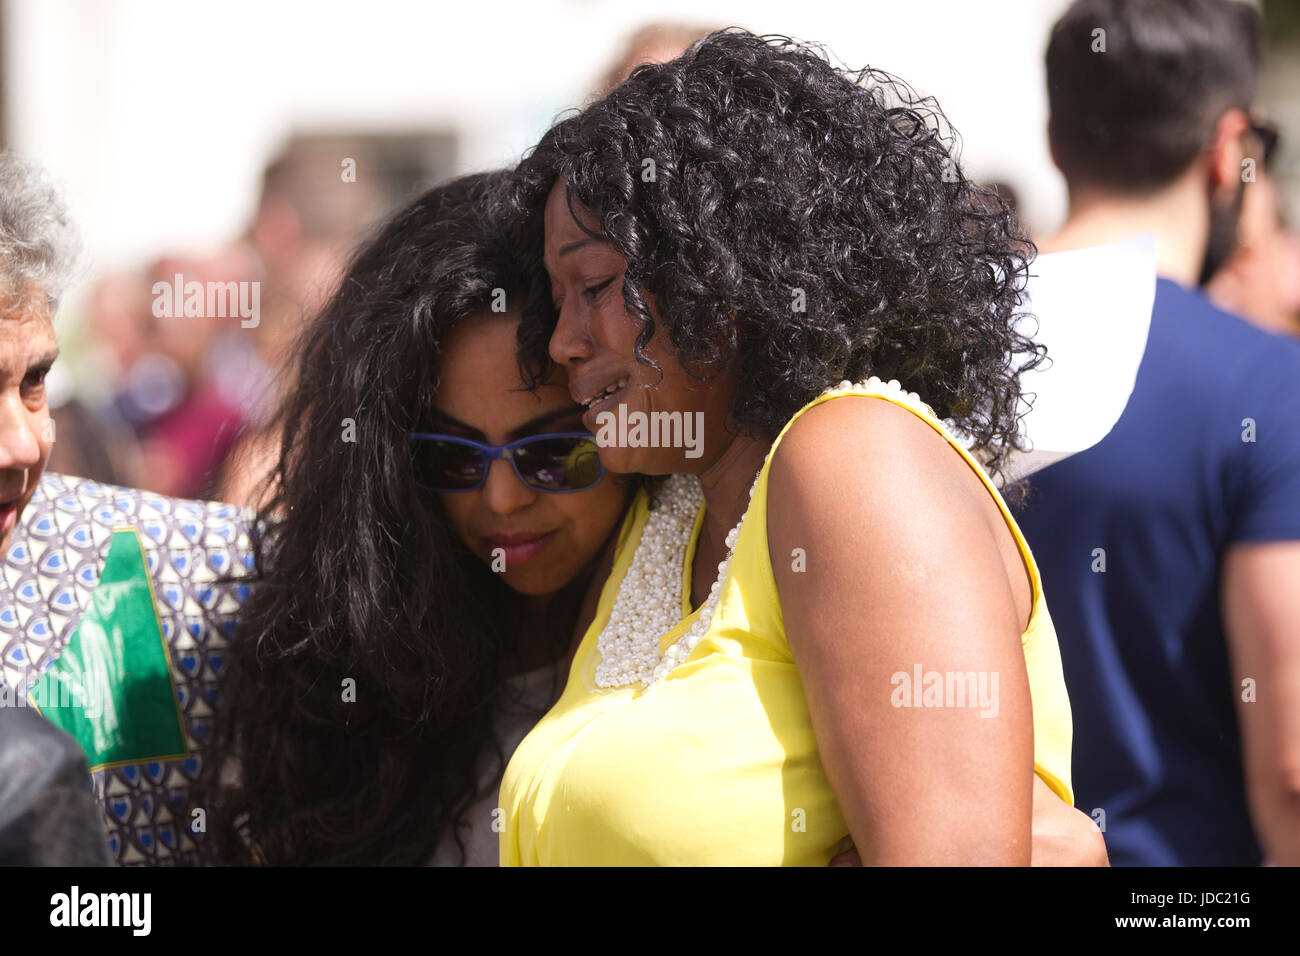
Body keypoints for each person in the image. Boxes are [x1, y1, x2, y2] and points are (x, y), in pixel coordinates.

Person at [498, 30, 1092, 865]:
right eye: (554, 302)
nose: (560, 342)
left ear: (728, 271)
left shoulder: (853, 458)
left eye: (594, 287)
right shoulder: (667, 512)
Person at [193, 171, 635, 866]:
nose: (502, 499)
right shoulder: (330, 668)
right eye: (451, 456)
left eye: (553, 453)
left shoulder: (714, 642)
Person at [1014, 0, 1300, 865]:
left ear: (1057, 142)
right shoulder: (1265, 383)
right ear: (1228, 152)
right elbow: (1290, 766)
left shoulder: (917, 351)